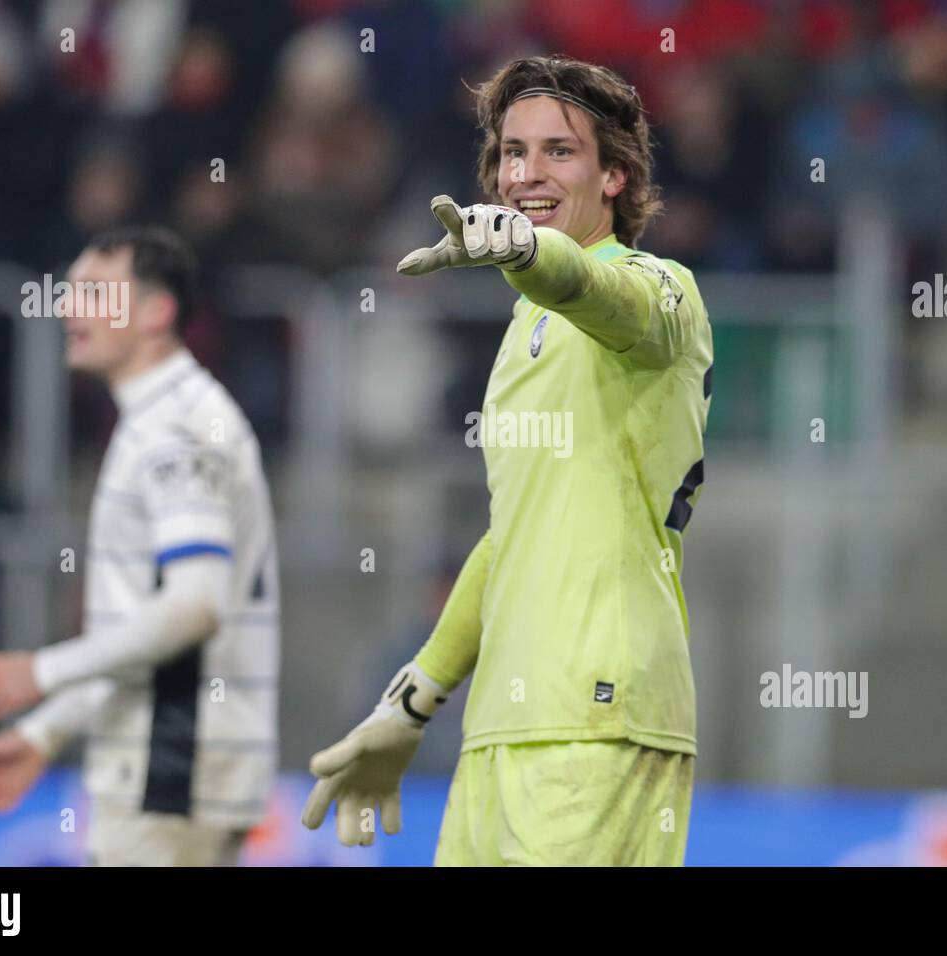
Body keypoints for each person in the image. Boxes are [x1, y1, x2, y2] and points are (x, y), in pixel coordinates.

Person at [302, 55, 713, 866]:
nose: (529, 172)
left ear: (617, 178)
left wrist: (531, 256)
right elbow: (511, 540)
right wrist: (409, 704)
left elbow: (613, 300)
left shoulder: (661, 289)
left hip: (599, 719)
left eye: (560, 151)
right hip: (500, 730)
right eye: (513, 153)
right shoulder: (526, 337)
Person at [0, 226, 279, 867]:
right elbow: (150, 636)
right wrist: (45, 732)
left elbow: (195, 609)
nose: (66, 307)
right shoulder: (164, 416)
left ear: (157, 312)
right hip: (169, 775)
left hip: (170, 775)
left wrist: (39, 673)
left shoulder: (178, 427)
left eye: (93, 293)